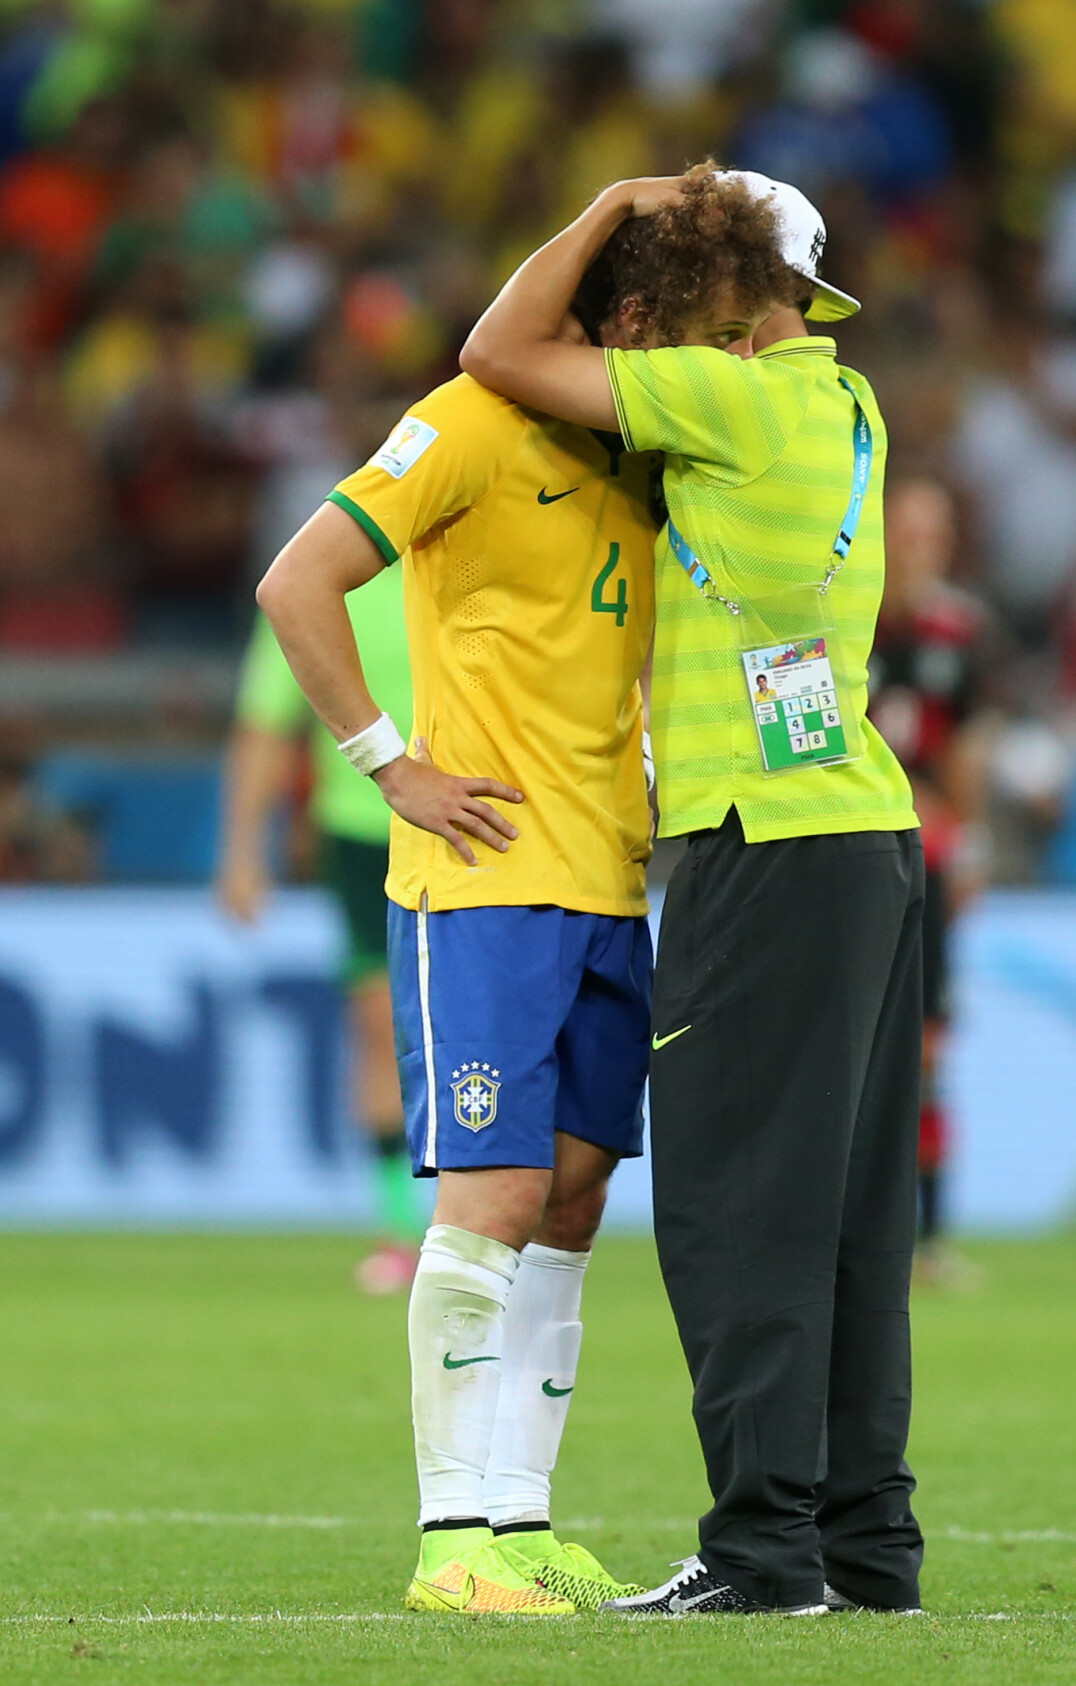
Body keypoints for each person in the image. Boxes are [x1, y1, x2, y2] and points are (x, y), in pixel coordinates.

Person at [255, 170, 794, 1617]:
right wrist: (389, 764)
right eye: (693, 329)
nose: (711, 358)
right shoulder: (466, 424)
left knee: (568, 1203)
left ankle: (520, 1516)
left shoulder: (645, 456)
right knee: (489, 1195)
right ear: (624, 317)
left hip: (611, 877)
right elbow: (295, 581)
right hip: (484, 878)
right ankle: (448, 1543)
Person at [462, 166, 926, 1616]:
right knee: (851, 1221)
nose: (638, 339)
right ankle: (864, 1548)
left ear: (722, 309)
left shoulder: (729, 398)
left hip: (760, 846)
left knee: (735, 1212)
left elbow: (496, 351)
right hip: (866, 835)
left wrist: (602, 206)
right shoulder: (845, 407)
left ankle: (762, 1554)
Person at [217, 589, 425, 1294]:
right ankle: (401, 1231)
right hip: (364, 831)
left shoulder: (474, 546)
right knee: (380, 1028)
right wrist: (243, 853)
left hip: (468, 811)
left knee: (491, 1023)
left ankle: (500, 1226)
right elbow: (267, 724)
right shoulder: (323, 572)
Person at [869, 477, 1000, 1282]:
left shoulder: (961, 632)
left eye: (933, 528)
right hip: (853, 848)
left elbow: (969, 748)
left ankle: (929, 1239)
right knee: (850, 1043)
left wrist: (973, 838)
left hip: (930, 855)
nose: (921, 543)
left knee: (924, 1045)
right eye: (907, 527)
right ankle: (855, 1230)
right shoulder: (845, 614)